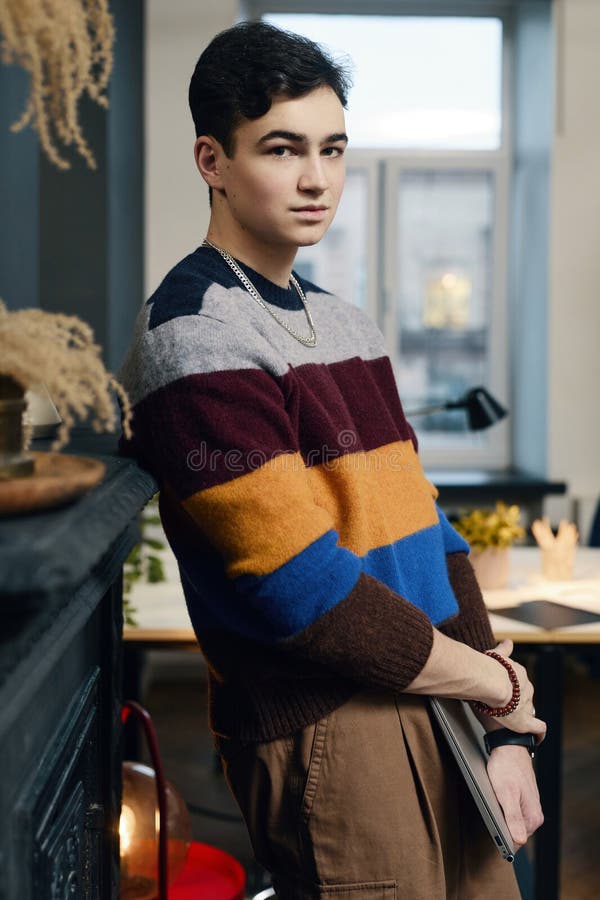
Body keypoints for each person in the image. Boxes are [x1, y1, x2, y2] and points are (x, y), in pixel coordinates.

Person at [119, 20, 545, 899]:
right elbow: (299, 590)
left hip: (439, 696)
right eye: (282, 149)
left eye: (333, 150)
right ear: (212, 160)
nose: (317, 180)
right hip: (329, 725)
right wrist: (496, 683)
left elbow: (434, 537)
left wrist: (501, 731)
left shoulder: (347, 324)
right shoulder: (193, 333)